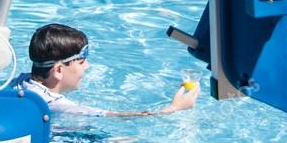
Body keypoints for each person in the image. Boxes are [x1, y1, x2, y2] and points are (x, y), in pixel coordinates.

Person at [14, 23, 199, 119]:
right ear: (59, 70)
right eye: (82, 62)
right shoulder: (56, 106)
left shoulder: (22, 82)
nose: (87, 66)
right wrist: (174, 108)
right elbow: (116, 117)